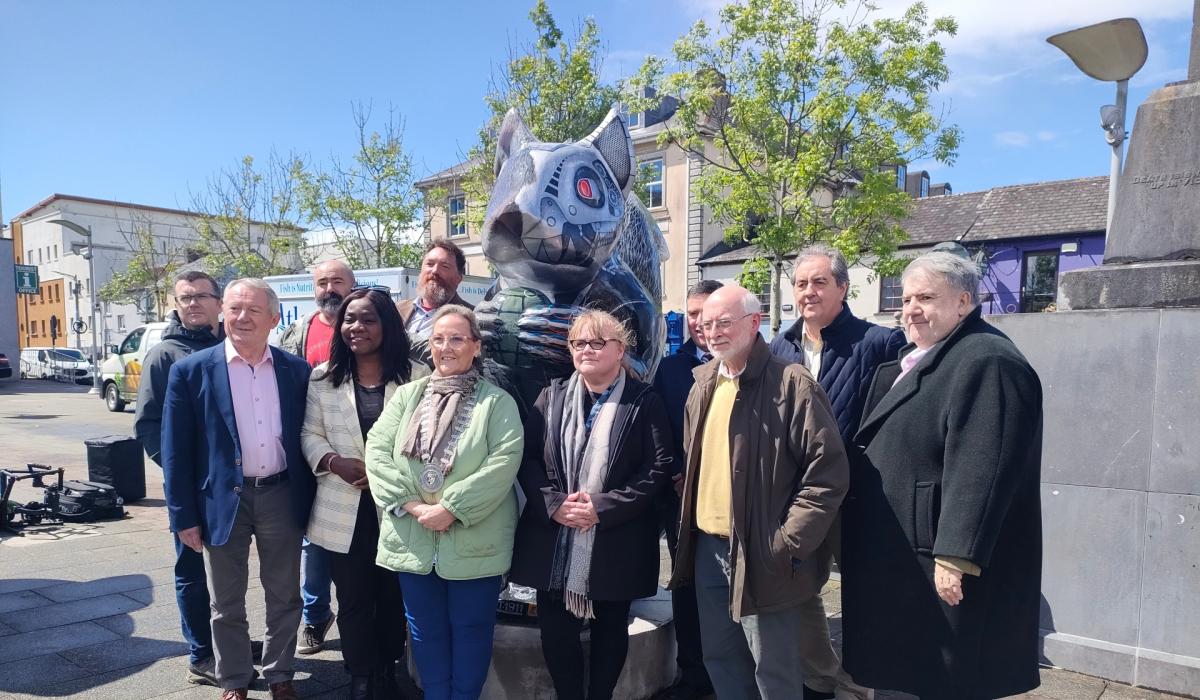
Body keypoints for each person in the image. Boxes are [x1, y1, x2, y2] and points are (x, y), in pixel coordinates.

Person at [840, 252, 1043, 699]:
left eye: (926, 297)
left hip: (937, 561)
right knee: (909, 675)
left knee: (947, 679)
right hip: (904, 554)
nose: (910, 308)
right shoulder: (924, 358)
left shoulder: (986, 360)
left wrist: (956, 556)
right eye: (907, 296)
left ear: (964, 301)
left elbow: (984, 465)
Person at [669, 285, 849, 700]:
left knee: (774, 673)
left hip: (764, 554)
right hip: (708, 553)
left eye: (723, 322)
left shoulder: (792, 383)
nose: (711, 331)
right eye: (706, 322)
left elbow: (828, 474)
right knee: (722, 660)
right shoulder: (704, 384)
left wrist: (786, 543)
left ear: (754, 322)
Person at [162, 278, 316, 700]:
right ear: (222, 314)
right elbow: (175, 452)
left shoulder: (295, 370)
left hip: (281, 495)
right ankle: (233, 679)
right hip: (220, 501)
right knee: (225, 600)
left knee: (284, 594)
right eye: (233, 309)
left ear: (274, 318)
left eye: (252, 310)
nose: (241, 318)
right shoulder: (190, 371)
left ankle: (280, 673)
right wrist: (183, 517)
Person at [510, 310, 673, 700]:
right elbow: (528, 458)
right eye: (578, 342)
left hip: (616, 538)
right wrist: (553, 504)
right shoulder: (550, 397)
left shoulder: (643, 401)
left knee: (610, 629)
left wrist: (603, 507)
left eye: (598, 342)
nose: (586, 350)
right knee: (556, 631)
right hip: (554, 538)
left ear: (620, 350)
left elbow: (658, 467)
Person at [365, 304, 523, 700]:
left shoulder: (497, 403)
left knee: (471, 631)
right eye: (438, 339)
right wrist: (415, 507)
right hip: (413, 539)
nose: (446, 347)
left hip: (475, 541)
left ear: (476, 346)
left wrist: (451, 508)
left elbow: (502, 464)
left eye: (456, 339)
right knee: (424, 632)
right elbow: (377, 452)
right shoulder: (406, 396)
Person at [768, 244, 903, 700]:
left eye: (819, 282)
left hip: (858, 499)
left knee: (865, 597)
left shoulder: (877, 343)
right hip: (797, 499)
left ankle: (859, 683)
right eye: (801, 284)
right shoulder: (780, 346)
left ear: (842, 288)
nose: (809, 292)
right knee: (798, 591)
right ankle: (823, 678)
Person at [301, 287, 426, 699]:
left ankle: (388, 669)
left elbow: (429, 441)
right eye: (350, 319)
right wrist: (333, 462)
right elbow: (309, 433)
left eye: (368, 319)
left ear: (387, 325)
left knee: (392, 598)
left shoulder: (417, 377)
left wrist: (384, 473)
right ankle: (359, 675)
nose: (357, 327)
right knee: (353, 599)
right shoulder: (322, 378)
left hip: (398, 506)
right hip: (342, 505)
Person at [134, 270, 224, 686]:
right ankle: (200, 653)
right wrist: (176, 477)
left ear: (218, 303)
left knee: (232, 569)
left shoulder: (232, 346)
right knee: (190, 569)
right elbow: (148, 426)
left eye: (201, 296)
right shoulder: (164, 355)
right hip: (189, 487)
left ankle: (228, 640)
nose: (192, 304)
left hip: (230, 485)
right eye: (185, 298)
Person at [279, 259, 355, 654]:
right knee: (315, 542)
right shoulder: (297, 332)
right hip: (312, 452)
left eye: (338, 281)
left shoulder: (369, 323)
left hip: (360, 457)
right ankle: (316, 616)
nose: (330, 288)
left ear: (353, 285)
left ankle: (358, 615)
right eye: (322, 282)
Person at [651, 280, 721, 700]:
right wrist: (678, 474)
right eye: (692, 314)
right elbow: (660, 430)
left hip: (734, 504)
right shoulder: (670, 369)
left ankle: (732, 672)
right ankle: (692, 674)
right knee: (686, 587)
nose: (698, 322)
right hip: (682, 501)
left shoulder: (746, 363)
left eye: (706, 313)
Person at [396, 240, 472, 342]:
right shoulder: (397, 310)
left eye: (445, 266)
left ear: (459, 278)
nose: (435, 271)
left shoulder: (470, 318)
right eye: (430, 264)